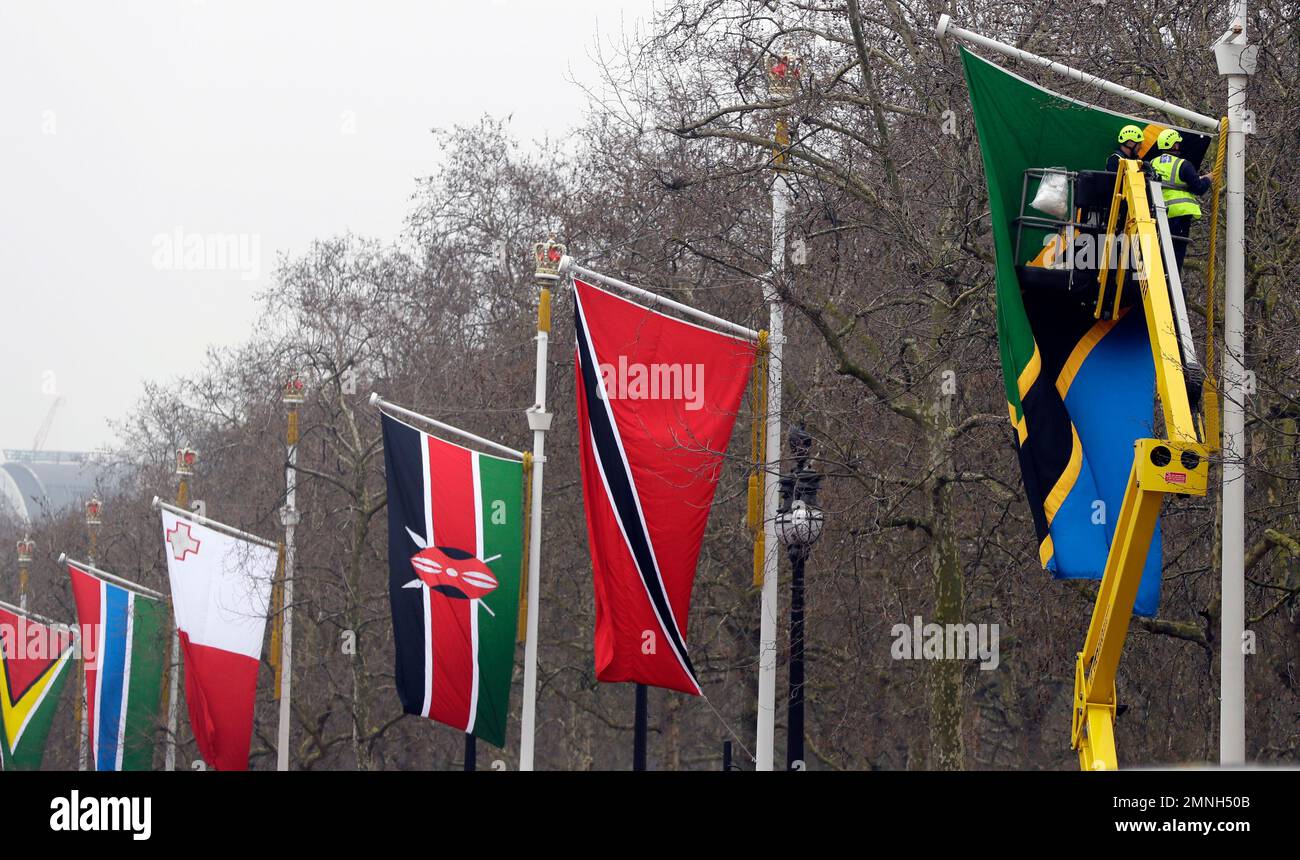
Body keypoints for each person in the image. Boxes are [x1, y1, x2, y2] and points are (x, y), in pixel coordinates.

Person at [1150, 128, 1213, 274]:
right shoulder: (1183, 165)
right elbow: (1199, 188)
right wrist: (1208, 179)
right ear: (1175, 145)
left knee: (1160, 249)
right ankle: (1172, 283)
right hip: (1179, 215)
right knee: (1176, 253)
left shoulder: (1152, 163)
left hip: (1158, 213)